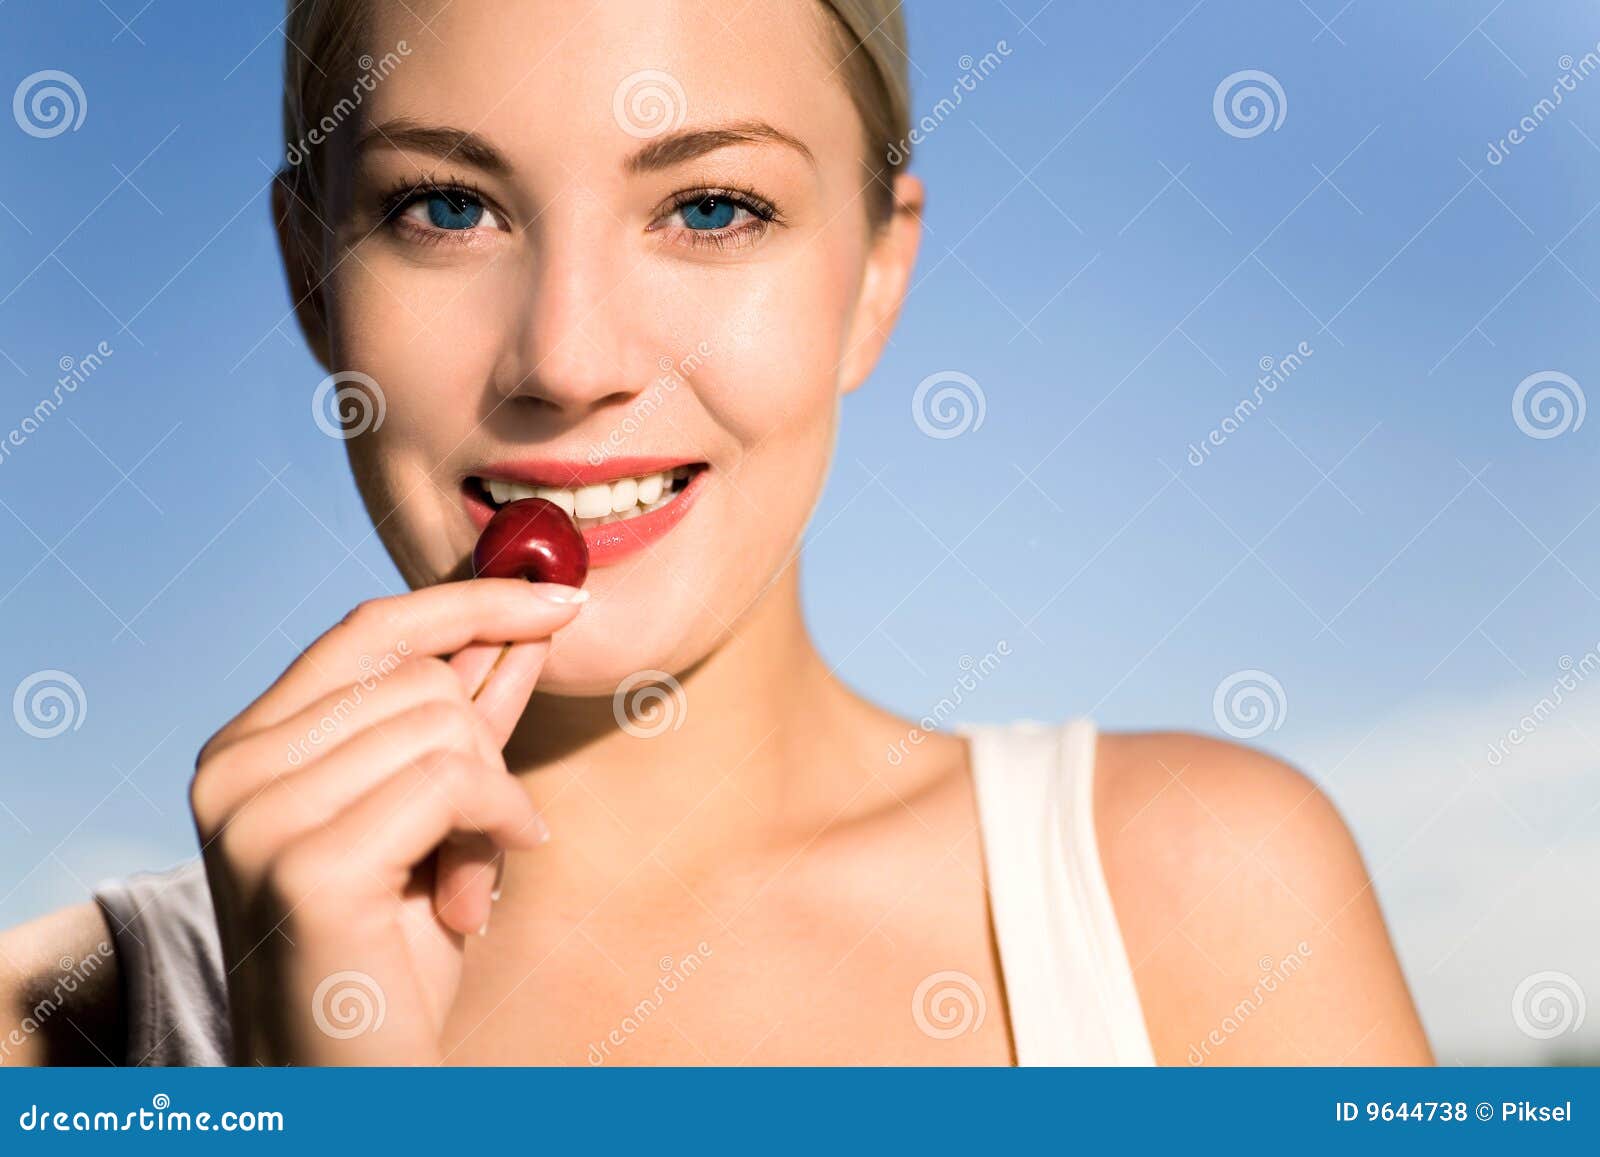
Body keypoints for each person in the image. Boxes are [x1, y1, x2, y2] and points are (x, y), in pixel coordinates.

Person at [0, 0, 1432, 1066]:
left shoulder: (1201, 896)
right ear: (314, 280)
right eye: (447, 206)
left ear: (875, 276)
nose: (566, 357)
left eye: (708, 206)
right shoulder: (60, 1034)